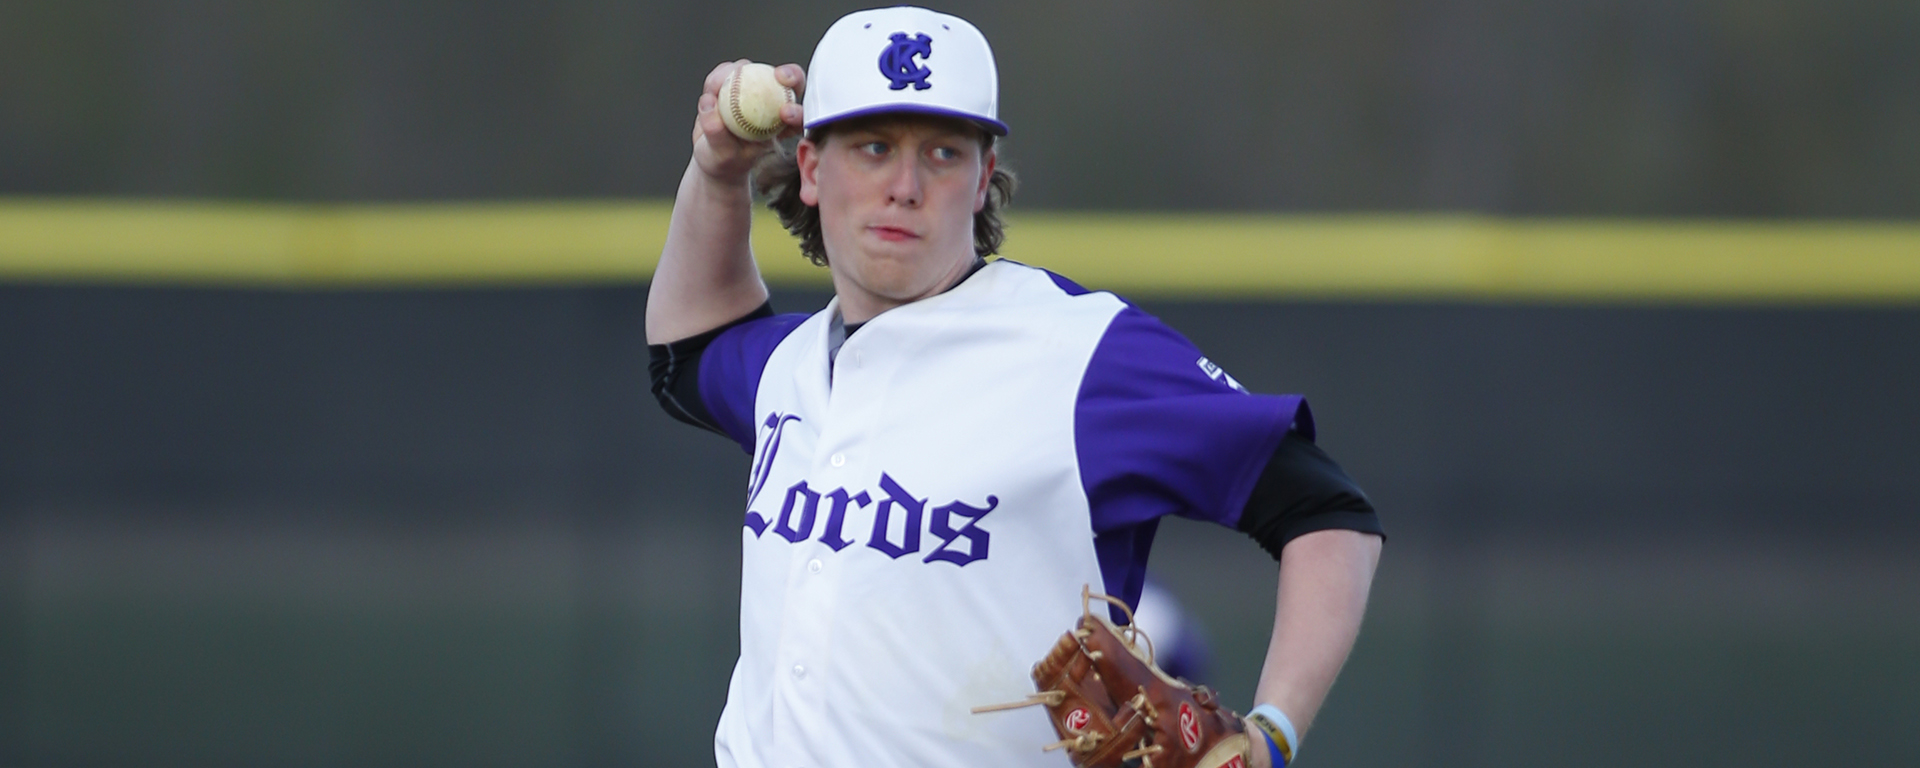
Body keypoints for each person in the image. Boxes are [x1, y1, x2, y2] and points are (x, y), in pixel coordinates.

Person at [646, 7, 1383, 767]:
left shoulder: (1083, 354)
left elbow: (1329, 514)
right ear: (810, 168)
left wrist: (1273, 732)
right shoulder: (787, 367)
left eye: (942, 153)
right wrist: (717, 170)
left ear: (981, 180)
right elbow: (688, 351)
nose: (905, 185)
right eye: (874, 147)